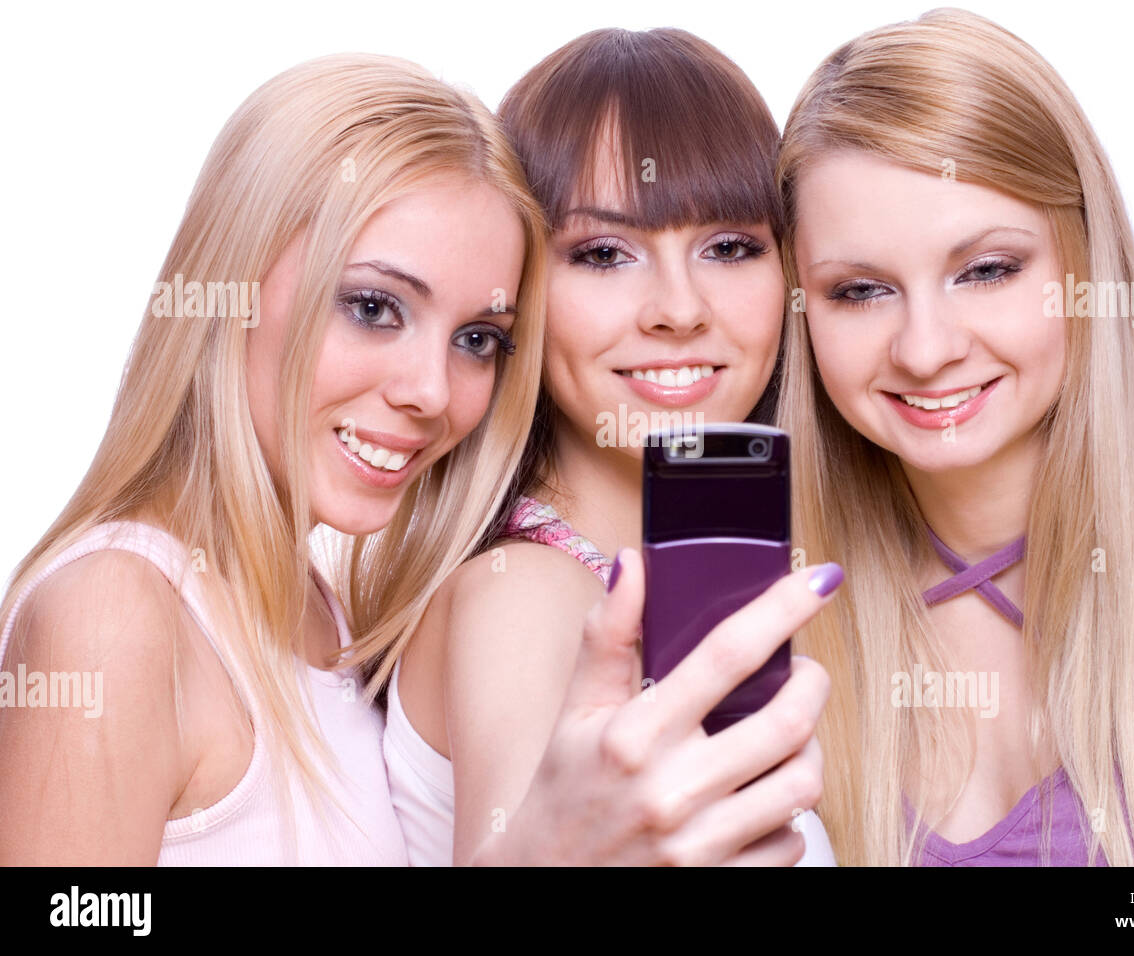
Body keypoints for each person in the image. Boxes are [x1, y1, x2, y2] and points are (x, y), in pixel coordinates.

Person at [0, 52, 835, 867]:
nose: (432, 392)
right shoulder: (112, 612)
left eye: (479, 340)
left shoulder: (316, 614)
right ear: (228, 284)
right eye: (373, 307)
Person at [775, 8, 1134, 866]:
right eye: (860, 291)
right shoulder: (784, 627)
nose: (926, 348)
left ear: (1085, 262)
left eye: (986, 271)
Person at [378, 28, 838, 865]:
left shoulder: (727, 578)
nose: (679, 308)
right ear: (519, 288)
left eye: (729, 247)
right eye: (604, 253)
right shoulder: (526, 597)